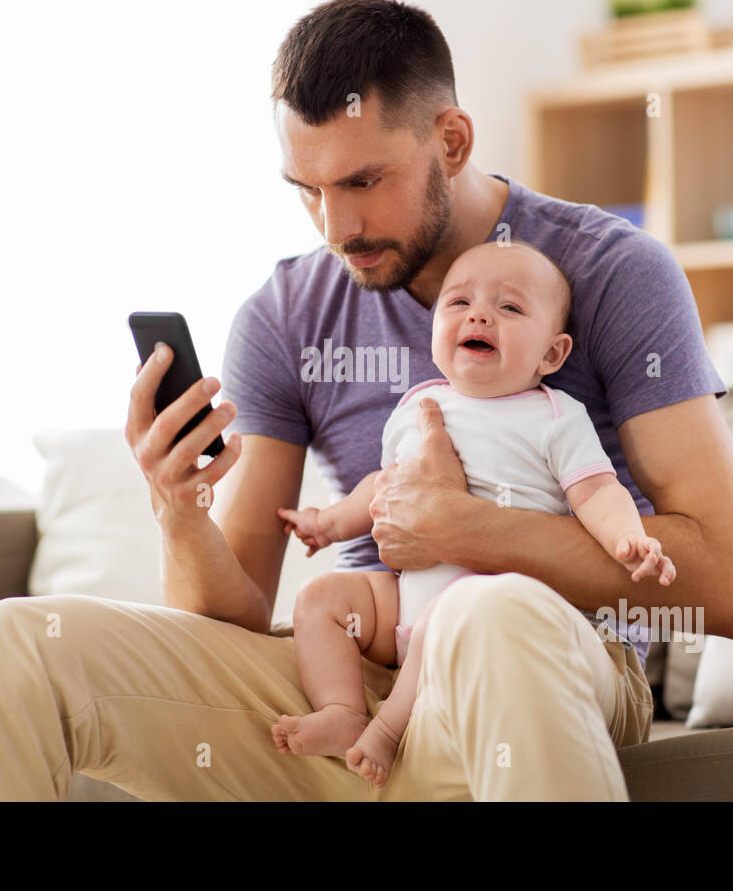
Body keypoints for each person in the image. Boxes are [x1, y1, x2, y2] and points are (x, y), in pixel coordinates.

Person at [0, 0, 733, 802]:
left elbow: (727, 586)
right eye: (306, 190)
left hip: (542, 665)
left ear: (453, 142)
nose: (335, 227)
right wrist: (178, 510)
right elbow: (233, 608)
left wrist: (472, 531)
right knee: (22, 641)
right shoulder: (286, 314)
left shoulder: (610, 272)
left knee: (489, 611)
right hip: (352, 680)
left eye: (362, 181)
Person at [271, 239, 677, 788]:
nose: (479, 314)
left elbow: (597, 491)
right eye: (458, 304)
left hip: (489, 611)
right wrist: (331, 521)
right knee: (319, 598)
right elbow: (385, 486)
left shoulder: (554, 415)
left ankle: (388, 732)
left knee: (458, 609)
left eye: (509, 308)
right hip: (401, 611)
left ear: (552, 355)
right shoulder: (418, 406)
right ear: (435, 332)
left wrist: (628, 539)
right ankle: (343, 711)